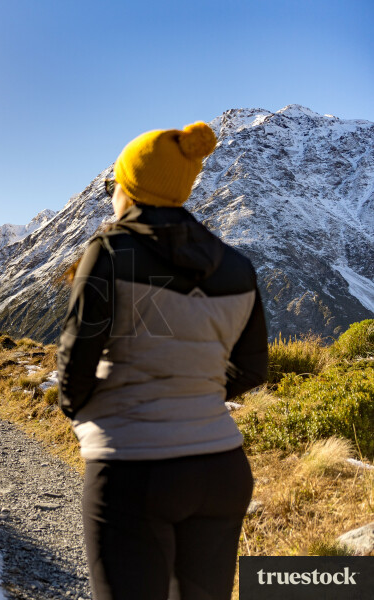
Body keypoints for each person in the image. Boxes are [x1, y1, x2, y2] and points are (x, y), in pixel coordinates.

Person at [56, 121, 268, 600]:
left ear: (128, 189)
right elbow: (253, 366)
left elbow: (76, 362)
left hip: (134, 466)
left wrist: (85, 408)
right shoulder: (237, 267)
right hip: (221, 468)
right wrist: (198, 393)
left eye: (115, 186)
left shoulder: (113, 251)